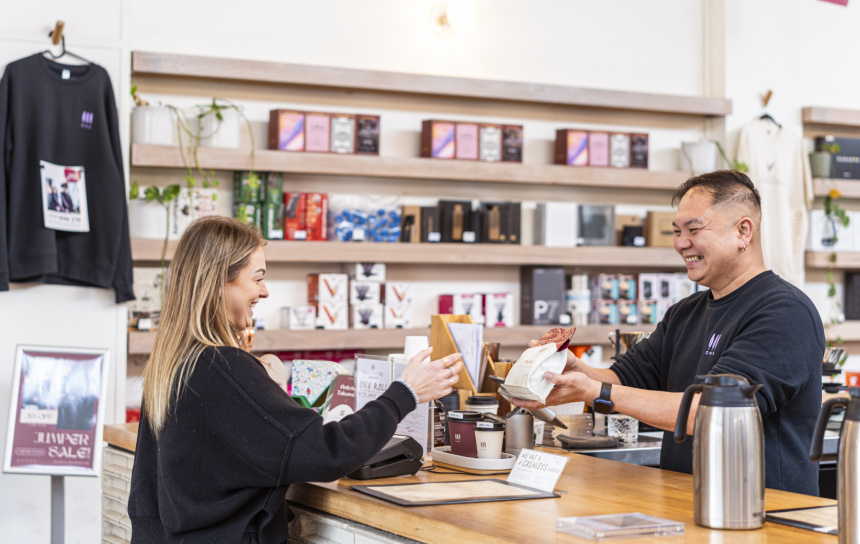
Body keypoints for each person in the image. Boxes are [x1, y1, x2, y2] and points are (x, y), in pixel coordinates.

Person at [128, 216, 463, 543]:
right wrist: (404, 392)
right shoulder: (223, 367)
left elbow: (145, 496)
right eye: (257, 279)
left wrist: (259, 382)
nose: (265, 291)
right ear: (219, 282)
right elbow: (326, 453)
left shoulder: (173, 363)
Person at [514, 170, 825, 495]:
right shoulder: (685, 313)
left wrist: (593, 391)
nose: (680, 243)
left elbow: (710, 413)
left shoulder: (784, 312)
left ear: (743, 231)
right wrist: (574, 371)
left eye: (694, 229)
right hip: (688, 505)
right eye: (676, 231)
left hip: (764, 515)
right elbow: (625, 377)